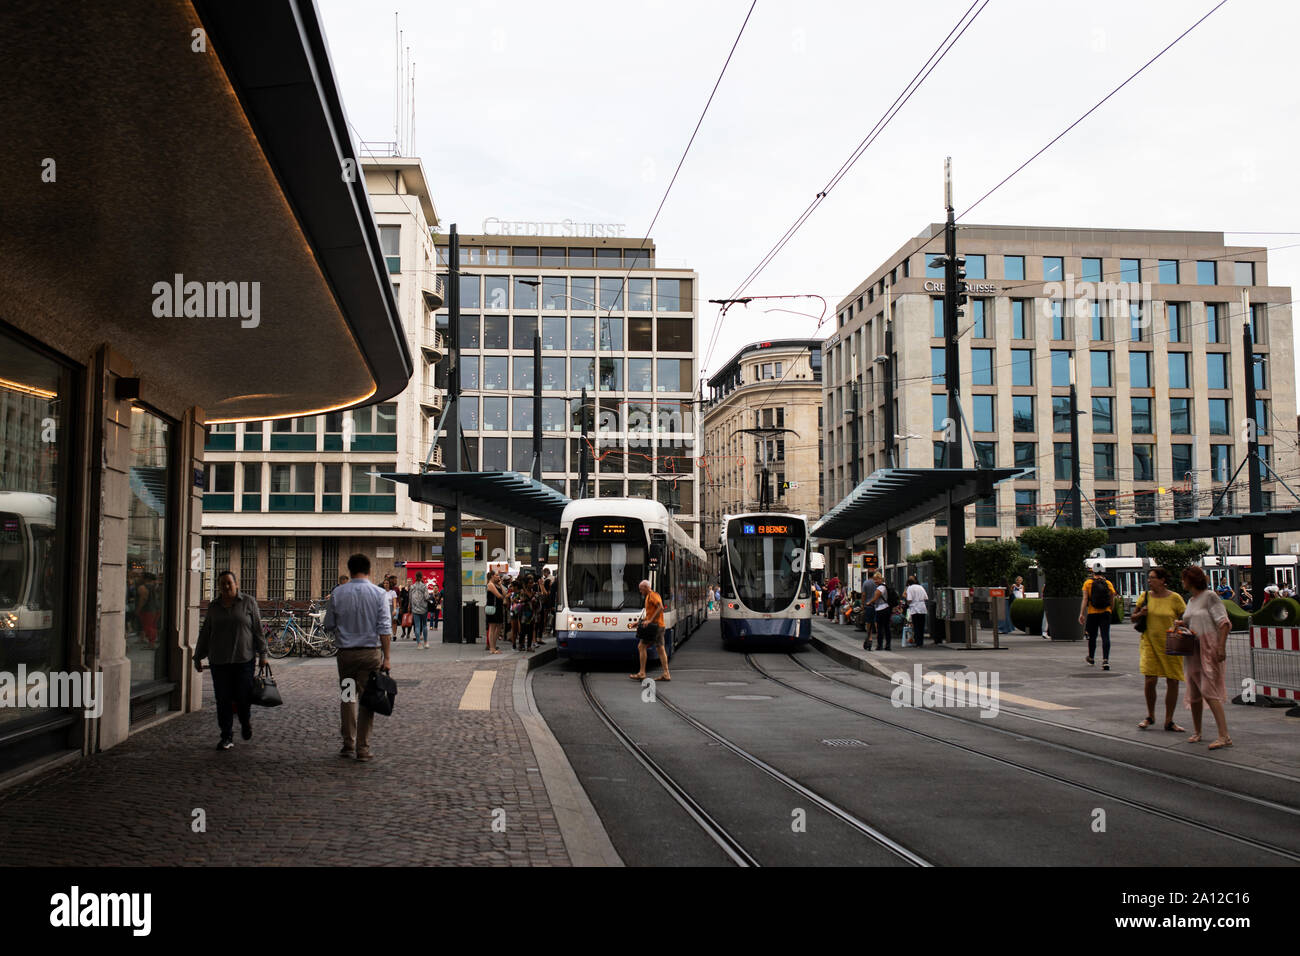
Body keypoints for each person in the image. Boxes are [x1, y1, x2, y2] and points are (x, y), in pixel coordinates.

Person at [324, 553, 393, 761]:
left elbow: (328, 625)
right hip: (370, 654)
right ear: (369, 570)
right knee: (367, 700)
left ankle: (348, 743)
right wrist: (387, 657)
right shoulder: (379, 593)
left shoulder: (338, 594)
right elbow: (385, 628)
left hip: (346, 656)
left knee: (347, 697)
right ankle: (362, 748)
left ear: (350, 570)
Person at [195, 571, 268, 750]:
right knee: (223, 699)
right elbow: (206, 633)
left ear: (236, 584)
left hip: (244, 659)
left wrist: (263, 654)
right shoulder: (214, 607)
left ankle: (245, 722)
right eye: (222, 584)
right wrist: (198, 656)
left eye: (229, 583)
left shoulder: (248, 603)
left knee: (243, 697)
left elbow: (258, 630)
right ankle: (226, 735)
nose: (226, 586)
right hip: (219, 661)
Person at [1177, 566, 1233, 750]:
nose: (1182, 582)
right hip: (1192, 649)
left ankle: (1224, 735)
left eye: (1184, 578)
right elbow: (1191, 620)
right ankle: (1197, 731)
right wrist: (1181, 623)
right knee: (1194, 693)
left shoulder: (1210, 597)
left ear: (1191, 580)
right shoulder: (1191, 600)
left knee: (1209, 691)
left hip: (1208, 648)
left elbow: (1224, 623)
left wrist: (1221, 646)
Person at [1132, 566, 1186, 733]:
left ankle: (1169, 720)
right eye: (1149, 578)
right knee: (1150, 679)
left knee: (1172, 680)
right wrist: (1141, 613)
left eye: (1153, 577)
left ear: (1163, 580)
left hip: (1171, 643)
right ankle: (1150, 715)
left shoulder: (1175, 598)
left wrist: (1180, 624)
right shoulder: (1145, 597)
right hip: (1149, 642)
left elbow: (1186, 618)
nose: (1149, 580)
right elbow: (1133, 618)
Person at [630, 579, 670, 682]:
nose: (640, 591)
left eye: (641, 589)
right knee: (660, 648)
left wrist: (650, 621)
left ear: (646, 587)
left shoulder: (653, 595)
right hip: (657, 626)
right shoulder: (648, 597)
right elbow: (650, 614)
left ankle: (642, 672)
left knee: (642, 646)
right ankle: (666, 673)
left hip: (656, 627)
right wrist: (640, 622)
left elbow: (660, 607)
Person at [1079, 565, 1116, 670]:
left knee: (1092, 636)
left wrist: (1082, 613)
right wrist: (1111, 609)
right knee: (1105, 636)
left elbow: (1085, 599)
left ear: (1093, 572)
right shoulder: (1108, 583)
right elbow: (1112, 598)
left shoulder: (1088, 583)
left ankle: (1091, 657)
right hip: (1106, 612)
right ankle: (1105, 660)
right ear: (1102, 572)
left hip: (1092, 612)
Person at [868, 572, 891, 651]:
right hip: (886, 608)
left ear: (880, 579)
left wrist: (869, 602)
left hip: (881, 609)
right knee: (887, 627)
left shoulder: (880, 588)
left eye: (876, 579)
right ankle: (888, 645)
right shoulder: (885, 586)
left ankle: (880, 645)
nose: (875, 581)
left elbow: (875, 598)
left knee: (880, 627)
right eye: (874, 580)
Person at [905, 575, 928, 647]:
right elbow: (926, 598)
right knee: (921, 626)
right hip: (922, 608)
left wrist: (907, 604)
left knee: (916, 626)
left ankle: (917, 642)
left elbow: (909, 599)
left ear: (909, 583)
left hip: (914, 608)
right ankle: (921, 642)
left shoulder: (910, 588)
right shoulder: (921, 587)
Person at [484, 571, 504, 654]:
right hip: (493, 608)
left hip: (498, 608)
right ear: (492, 576)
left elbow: (504, 593)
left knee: (499, 626)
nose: (498, 576)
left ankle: (494, 646)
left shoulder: (496, 585)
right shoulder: (490, 584)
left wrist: (500, 585)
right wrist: (504, 597)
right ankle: (492, 648)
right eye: (496, 575)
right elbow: (499, 596)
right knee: (492, 627)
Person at [409, 572, 429, 649]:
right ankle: (426, 642)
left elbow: (410, 598)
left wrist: (410, 606)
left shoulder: (412, 586)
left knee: (417, 626)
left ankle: (419, 644)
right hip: (424, 608)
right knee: (424, 625)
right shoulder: (424, 586)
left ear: (415, 577)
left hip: (415, 608)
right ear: (422, 577)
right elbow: (426, 597)